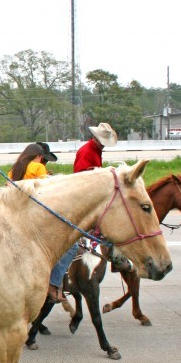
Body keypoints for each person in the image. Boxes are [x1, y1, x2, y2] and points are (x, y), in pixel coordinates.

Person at [48, 123, 118, 304]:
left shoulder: (95, 150)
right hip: (82, 198)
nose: (103, 145)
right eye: (102, 142)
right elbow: (80, 178)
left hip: (91, 195)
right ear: (95, 138)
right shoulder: (87, 151)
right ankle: (55, 282)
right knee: (71, 244)